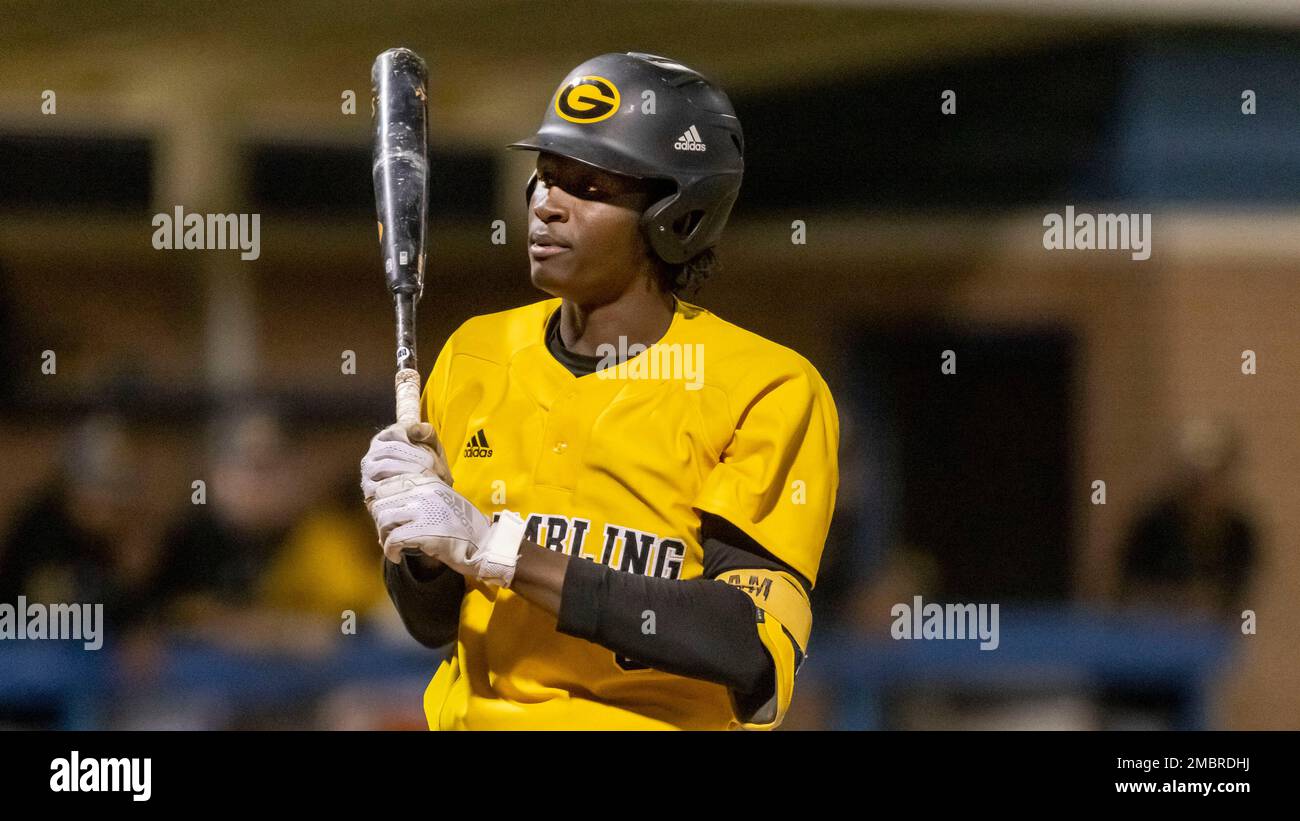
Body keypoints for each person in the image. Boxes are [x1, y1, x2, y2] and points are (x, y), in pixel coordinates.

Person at [360, 52, 839, 730]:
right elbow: (432, 624)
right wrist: (419, 547)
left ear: (676, 215)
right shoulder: (474, 353)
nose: (547, 204)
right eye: (546, 176)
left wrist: (498, 547)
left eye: (587, 187)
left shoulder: (765, 387)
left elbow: (744, 639)